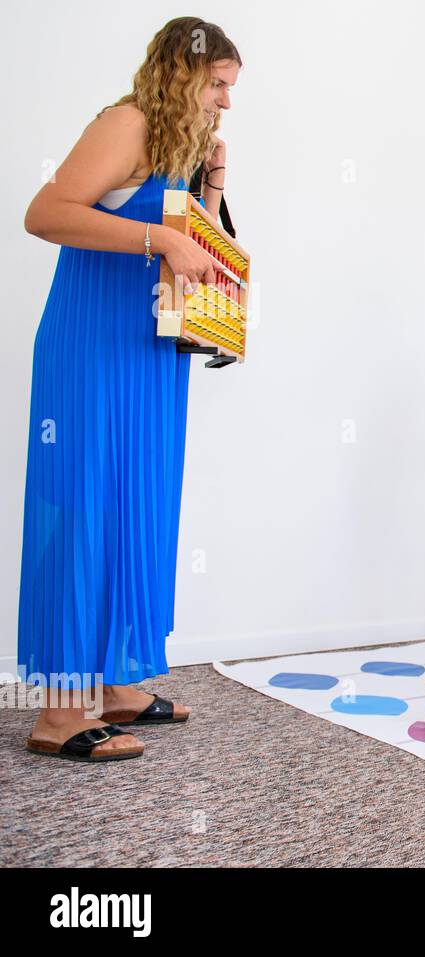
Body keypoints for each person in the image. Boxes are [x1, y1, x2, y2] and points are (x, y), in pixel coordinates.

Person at [18, 17, 242, 761]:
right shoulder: (128, 121)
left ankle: (116, 684)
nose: (227, 102)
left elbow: (205, 246)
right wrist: (160, 238)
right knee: (82, 507)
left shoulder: (180, 143)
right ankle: (58, 713)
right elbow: (45, 213)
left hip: (150, 353)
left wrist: (210, 186)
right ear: (183, 71)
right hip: (92, 347)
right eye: (218, 84)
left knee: (138, 505)